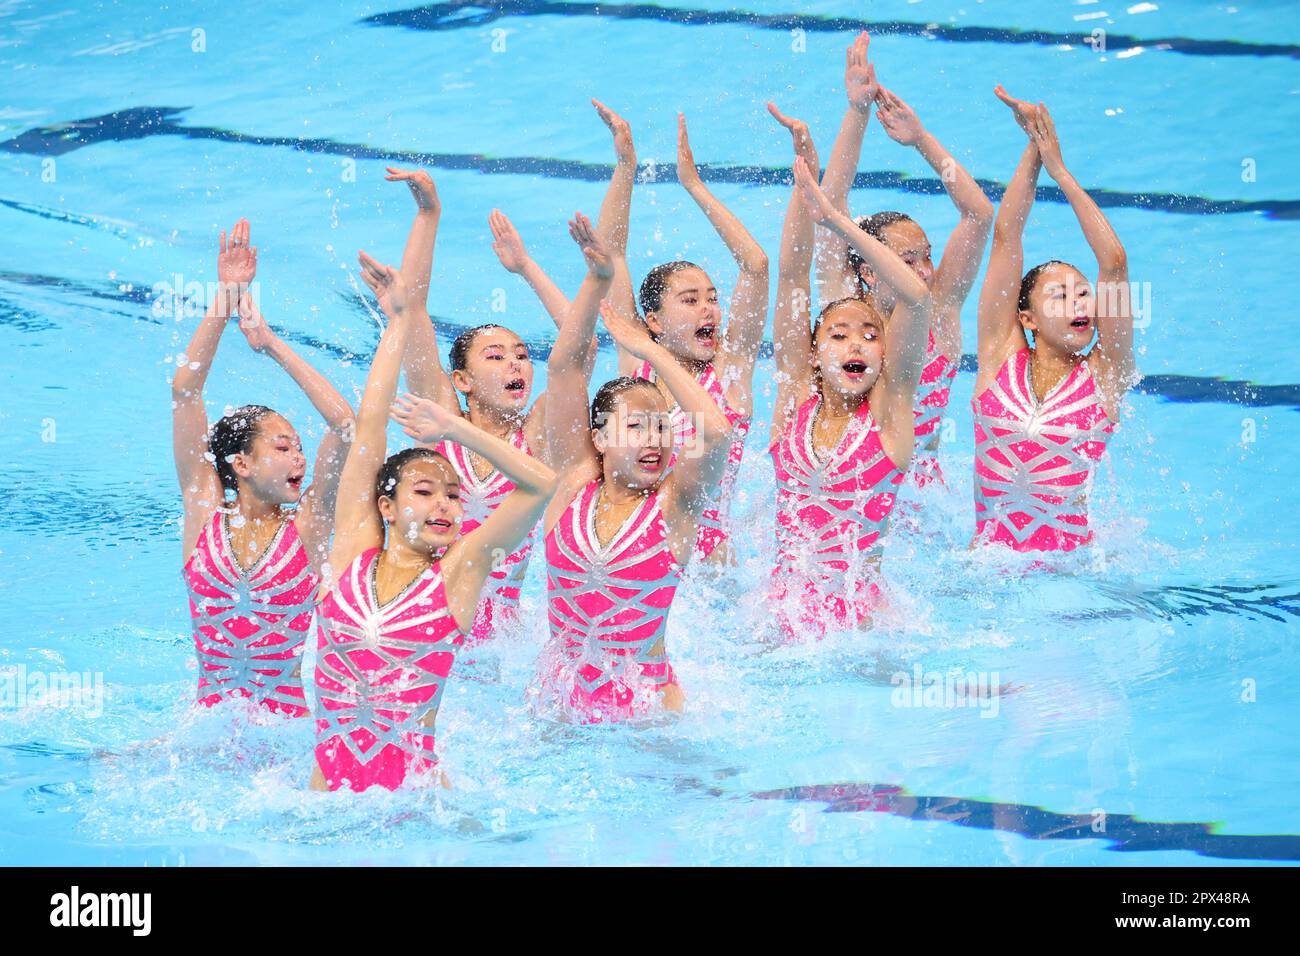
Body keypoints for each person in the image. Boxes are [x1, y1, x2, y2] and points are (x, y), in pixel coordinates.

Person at [310, 252, 555, 792]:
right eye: (425, 492)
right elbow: (370, 427)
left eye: (452, 495)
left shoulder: (459, 572)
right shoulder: (350, 550)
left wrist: (455, 428)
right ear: (386, 506)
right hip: (319, 802)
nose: (446, 505)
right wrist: (397, 323)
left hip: (418, 806)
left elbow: (540, 484)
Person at [537, 212, 734, 723]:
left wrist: (649, 349)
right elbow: (563, 366)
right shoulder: (572, 484)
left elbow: (716, 431)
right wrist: (596, 281)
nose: (655, 440)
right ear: (598, 439)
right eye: (637, 428)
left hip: (651, 717)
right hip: (558, 710)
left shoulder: (675, 506)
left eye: (663, 428)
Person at [174, 218, 354, 715]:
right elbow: (185, 391)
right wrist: (225, 297)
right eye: (282, 447)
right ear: (242, 464)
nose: (299, 456)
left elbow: (344, 426)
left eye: (298, 447)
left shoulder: (309, 523)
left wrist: (272, 345)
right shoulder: (204, 511)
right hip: (205, 731)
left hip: (289, 735)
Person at [767, 130, 933, 640]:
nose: (855, 346)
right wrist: (804, 188)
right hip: (778, 613)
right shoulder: (794, 398)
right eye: (838, 336)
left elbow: (917, 298)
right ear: (814, 354)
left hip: (863, 626)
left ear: (888, 353)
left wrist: (839, 222)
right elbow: (792, 275)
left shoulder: (889, 417)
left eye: (869, 336)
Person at [818, 31, 994, 486]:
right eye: (908, 260)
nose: (924, 272)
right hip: (845, 485)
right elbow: (830, 205)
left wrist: (922, 141)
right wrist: (856, 113)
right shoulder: (844, 311)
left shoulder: (941, 311)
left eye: (926, 258)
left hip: (920, 498)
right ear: (869, 271)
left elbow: (979, 215)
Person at [971, 88, 1136, 553]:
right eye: (1060, 296)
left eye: (1084, 294)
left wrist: (1059, 170)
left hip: (1071, 581)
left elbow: (1115, 263)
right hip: (984, 575)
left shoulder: (1106, 375)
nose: (1080, 303)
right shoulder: (997, 357)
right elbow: (1006, 237)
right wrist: (1032, 147)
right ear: (1027, 318)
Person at [602, 111, 769, 564]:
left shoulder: (730, 371)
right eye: (691, 300)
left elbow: (755, 265)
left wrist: (694, 185)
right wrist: (625, 169)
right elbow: (611, 254)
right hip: (634, 555)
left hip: (710, 573)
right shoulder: (637, 363)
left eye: (712, 299)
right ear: (653, 321)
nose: (709, 309)